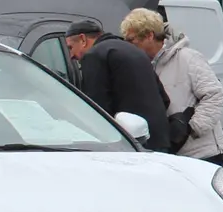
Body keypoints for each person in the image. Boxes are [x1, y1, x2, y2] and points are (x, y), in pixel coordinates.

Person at [120, 7, 223, 163]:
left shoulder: (188, 58)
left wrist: (190, 128)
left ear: (149, 36)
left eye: (132, 40)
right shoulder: (143, 65)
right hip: (172, 154)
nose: (128, 45)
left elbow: (215, 95)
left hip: (202, 154)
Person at [64, 18, 171, 152]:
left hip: (131, 146)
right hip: (160, 139)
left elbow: (98, 109)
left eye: (70, 47)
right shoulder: (134, 51)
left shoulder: (94, 55)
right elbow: (165, 99)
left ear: (83, 39)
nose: (71, 56)